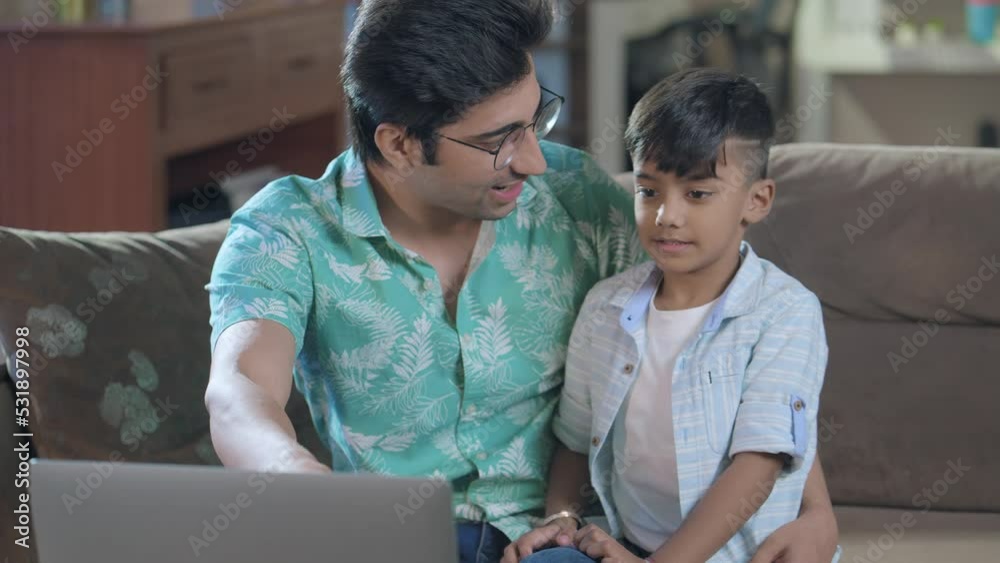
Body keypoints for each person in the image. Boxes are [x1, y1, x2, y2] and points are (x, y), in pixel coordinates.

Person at [203, 1, 839, 562]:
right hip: (391, 541)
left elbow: (721, 329)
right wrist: (299, 484)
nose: (533, 159)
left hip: (553, 544)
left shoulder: (574, 197)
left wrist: (814, 510)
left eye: (536, 121)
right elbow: (240, 393)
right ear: (400, 145)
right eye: (499, 140)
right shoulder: (288, 230)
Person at [503, 69, 840, 563]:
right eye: (649, 191)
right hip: (629, 546)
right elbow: (574, 441)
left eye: (697, 194)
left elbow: (759, 466)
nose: (667, 216)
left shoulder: (785, 311)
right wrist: (562, 519)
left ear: (757, 200)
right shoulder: (604, 307)